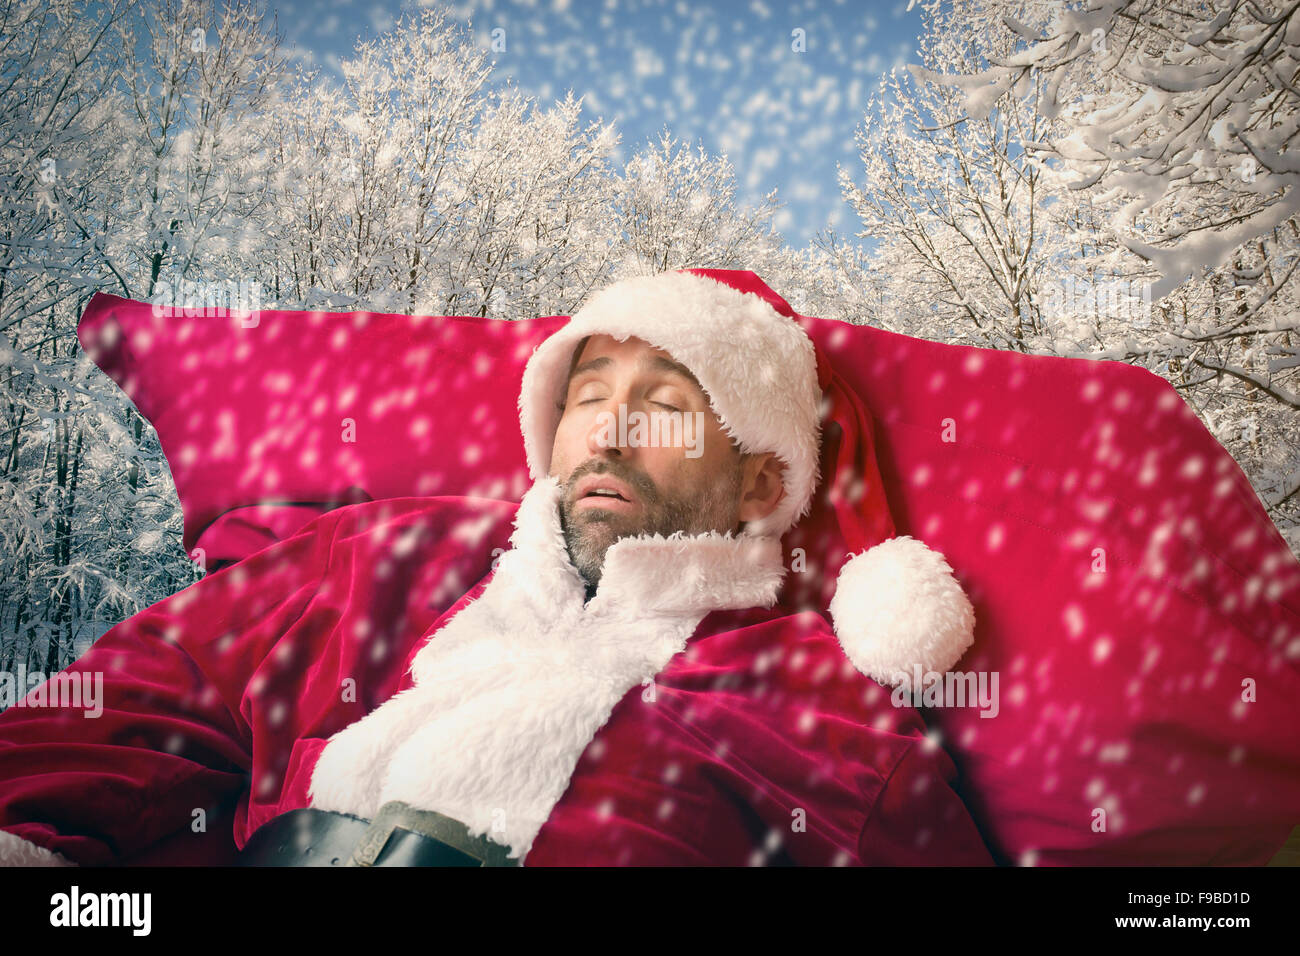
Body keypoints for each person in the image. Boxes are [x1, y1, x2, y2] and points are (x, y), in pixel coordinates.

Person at [0, 268, 991, 866]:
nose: (606, 428)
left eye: (662, 403)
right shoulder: (382, 557)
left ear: (756, 480)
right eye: (585, 393)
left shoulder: (818, 712)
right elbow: (134, 700)